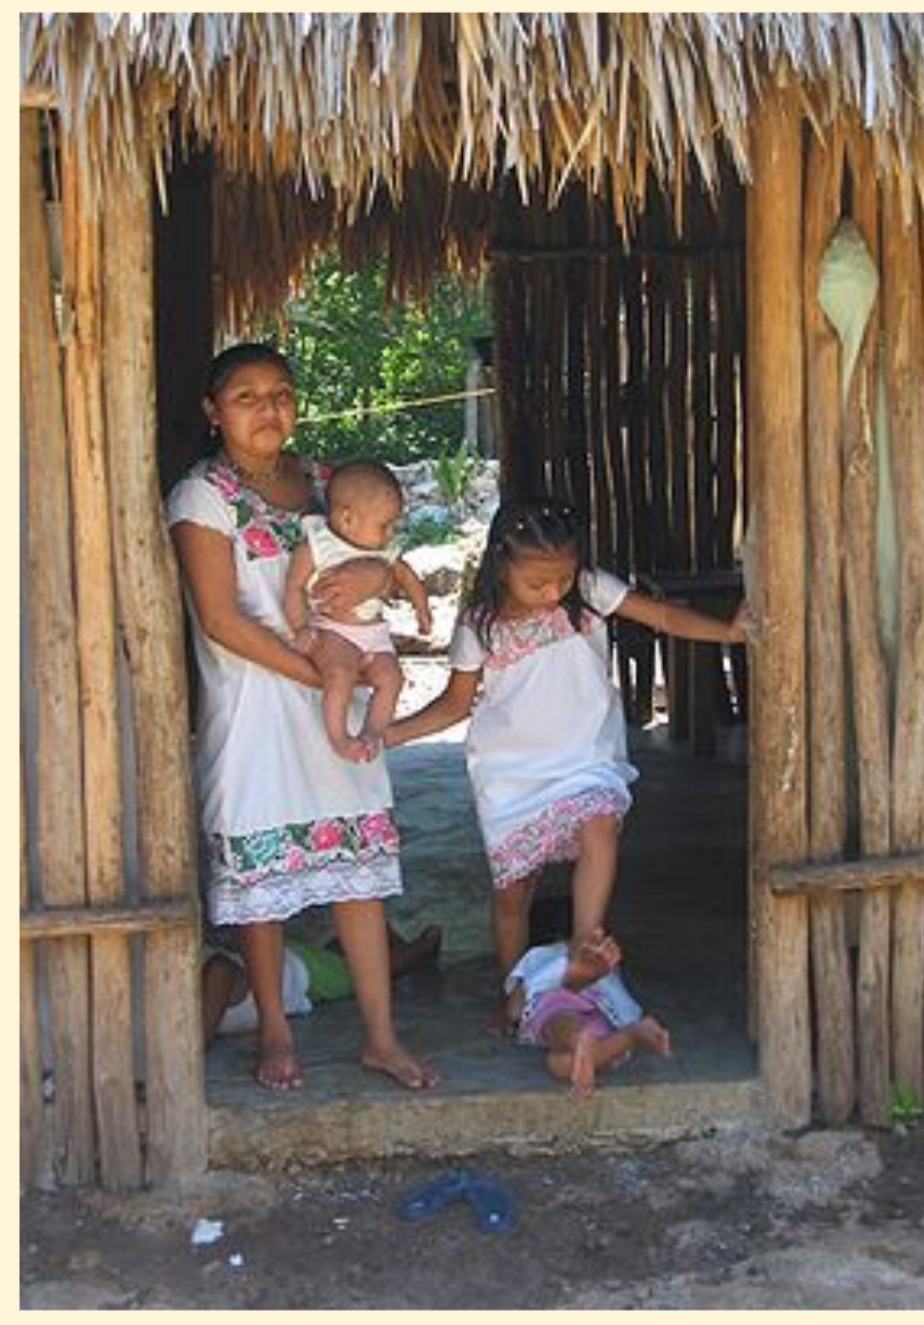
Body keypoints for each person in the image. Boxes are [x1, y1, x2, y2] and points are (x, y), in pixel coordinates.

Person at [166, 340, 436, 1091]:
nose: (268, 408)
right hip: (255, 711)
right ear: (212, 411)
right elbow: (221, 618)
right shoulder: (202, 497)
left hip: (335, 704)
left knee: (359, 875)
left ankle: (381, 1035)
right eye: (246, 396)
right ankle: (275, 1035)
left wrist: (378, 577)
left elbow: (380, 550)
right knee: (263, 877)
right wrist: (317, 672)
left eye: (280, 392)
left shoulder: (325, 482)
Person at [386, 497, 747, 1021]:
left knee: (599, 824)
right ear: (500, 564)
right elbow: (454, 705)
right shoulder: (479, 625)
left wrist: (729, 633)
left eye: (562, 578)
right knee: (514, 893)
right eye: (537, 583)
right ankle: (515, 994)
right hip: (509, 775)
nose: (552, 592)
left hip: (585, 758)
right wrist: (391, 734)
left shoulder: (590, 591)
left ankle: (585, 947)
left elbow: (663, 615)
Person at [284, 459, 432, 763]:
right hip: (333, 630)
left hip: (374, 633)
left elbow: (406, 576)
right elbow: (294, 588)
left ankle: (374, 732)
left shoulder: (382, 550)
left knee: (392, 679)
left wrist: (422, 609)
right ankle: (339, 737)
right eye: (384, 525)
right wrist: (300, 627)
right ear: (347, 519)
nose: (390, 533)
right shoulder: (318, 547)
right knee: (339, 675)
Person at [202, 922, 443, 1048]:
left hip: (303, 973)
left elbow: (220, 970)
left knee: (366, 975)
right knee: (339, 959)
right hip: (282, 957)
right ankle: (373, 934)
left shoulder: (211, 973)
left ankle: (422, 948)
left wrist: (202, 1039)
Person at [503, 929, 671, 1099]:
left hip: (554, 995)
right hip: (601, 1004)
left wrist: (508, 1015)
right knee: (559, 1062)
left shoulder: (536, 956)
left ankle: (591, 1035)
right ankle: (629, 1033)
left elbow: (516, 1003)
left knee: (556, 1020)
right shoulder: (600, 959)